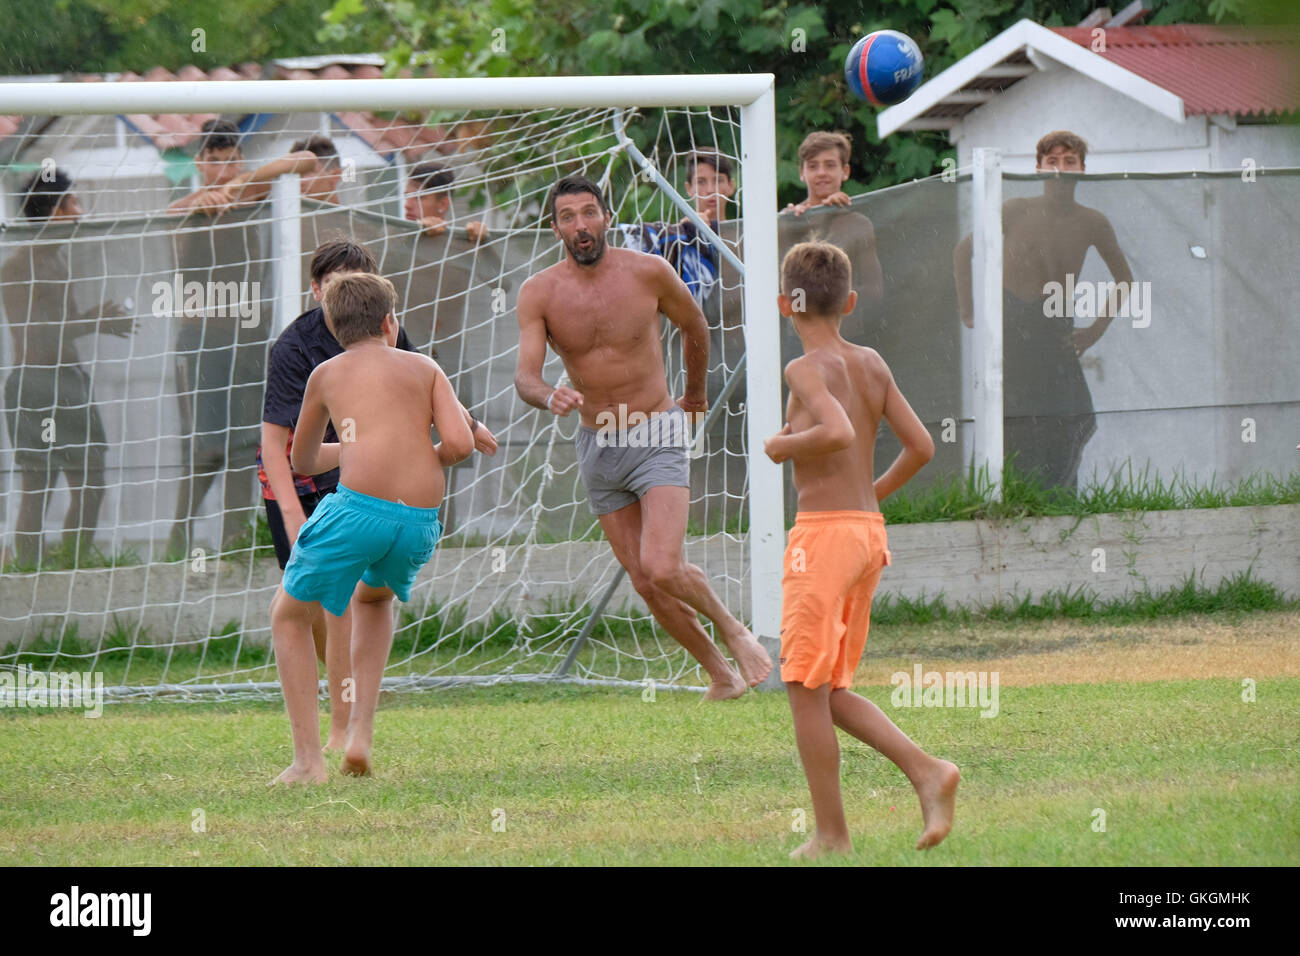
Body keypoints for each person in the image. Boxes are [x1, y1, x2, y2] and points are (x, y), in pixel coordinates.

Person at [514, 173, 771, 699]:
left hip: (656, 431)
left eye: (589, 213)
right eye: (567, 217)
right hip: (597, 444)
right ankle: (720, 675)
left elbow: (695, 325)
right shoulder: (538, 292)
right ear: (555, 227)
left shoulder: (649, 272)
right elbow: (526, 376)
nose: (580, 226)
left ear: (606, 217)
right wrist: (548, 395)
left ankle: (735, 630)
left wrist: (695, 395)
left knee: (661, 563)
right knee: (645, 580)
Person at [764, 241, 957, 858]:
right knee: (828, 690)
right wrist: (867, 497)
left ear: (782, 305)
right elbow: (922, 446)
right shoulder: (871, 362)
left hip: (822, 539)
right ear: (848, 302)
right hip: (867, 536)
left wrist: (780, 446)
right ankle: (928, 772)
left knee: (801, 684)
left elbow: (837, 431)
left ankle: (831, 835)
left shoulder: (803, 369)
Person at [270, 272, 496, 784]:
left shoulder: (325, 374)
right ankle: (360, 738)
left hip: (356, 510)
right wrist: (416, 452)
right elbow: (459, 445)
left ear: (332, 325)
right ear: (390, 322)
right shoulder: (425, 367)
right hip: (418, 522)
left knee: (288, 616)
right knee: (373, 601)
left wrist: (354, 450)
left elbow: (302, 460)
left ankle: (308, 761)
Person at [257, 236, 424, 750]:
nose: (345, 294)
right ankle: (337, 720)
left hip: (356, 479)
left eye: (354, 284)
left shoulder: (384, 333)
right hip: (300, 481)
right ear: (315, 291)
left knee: (347, 603)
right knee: (307, 608)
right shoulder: (295, 347)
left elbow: (430, 388)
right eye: (333, 285)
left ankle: (342, 727)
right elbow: (274, 441)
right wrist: (290, 512)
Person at [165, 119, 322, 554]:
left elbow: (305, 160)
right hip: (202, 344)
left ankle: (234, 541)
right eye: (216, 162)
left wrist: (236, 186)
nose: (225, 169)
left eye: (232, 159)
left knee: (247, 445)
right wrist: (207, 197)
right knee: (206, 446)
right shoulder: (185, 208)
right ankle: (178, 536)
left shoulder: (250, 191)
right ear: (199, 163)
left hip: (250, 341)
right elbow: (169, 219)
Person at [953, 130, 1135, 490]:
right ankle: (1006, 494)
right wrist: (969, 312)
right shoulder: (1016, 208)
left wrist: (1094, 331)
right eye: (1052, 161)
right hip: (1011, 324)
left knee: (1073, 416)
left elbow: (1125, 280)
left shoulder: (1092, 221)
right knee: (1013, 416)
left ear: (1082, 169)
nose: (1060, 169)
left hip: (1055, 325)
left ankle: (1060, 496)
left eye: (1069, 161)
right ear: (1038, 167)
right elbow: (963, 251)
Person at [2, 169, 134, 565]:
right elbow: (38, 337)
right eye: (72, 203)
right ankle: (31, 572)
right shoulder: (18, 266)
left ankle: (71, 566)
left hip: (68, 380)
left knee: (91, 483)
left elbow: (59, 327)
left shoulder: (56, 259)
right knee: (39, 485)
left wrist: (94, 320)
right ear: (54, 211)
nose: (80, 211)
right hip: (37, 384)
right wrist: (95, 321)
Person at [403, 160, 488, 244]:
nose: (407, 205)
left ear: (443, 204)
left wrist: (481, 243)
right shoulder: (393, 236)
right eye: (406, 197)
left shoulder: (461, 243)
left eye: (418, 198)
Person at [291, 135, 344, 204]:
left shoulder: (351, 214)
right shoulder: (285, 213)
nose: (300, 181)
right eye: (296, 174)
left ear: (335, 176)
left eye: (308, 173)